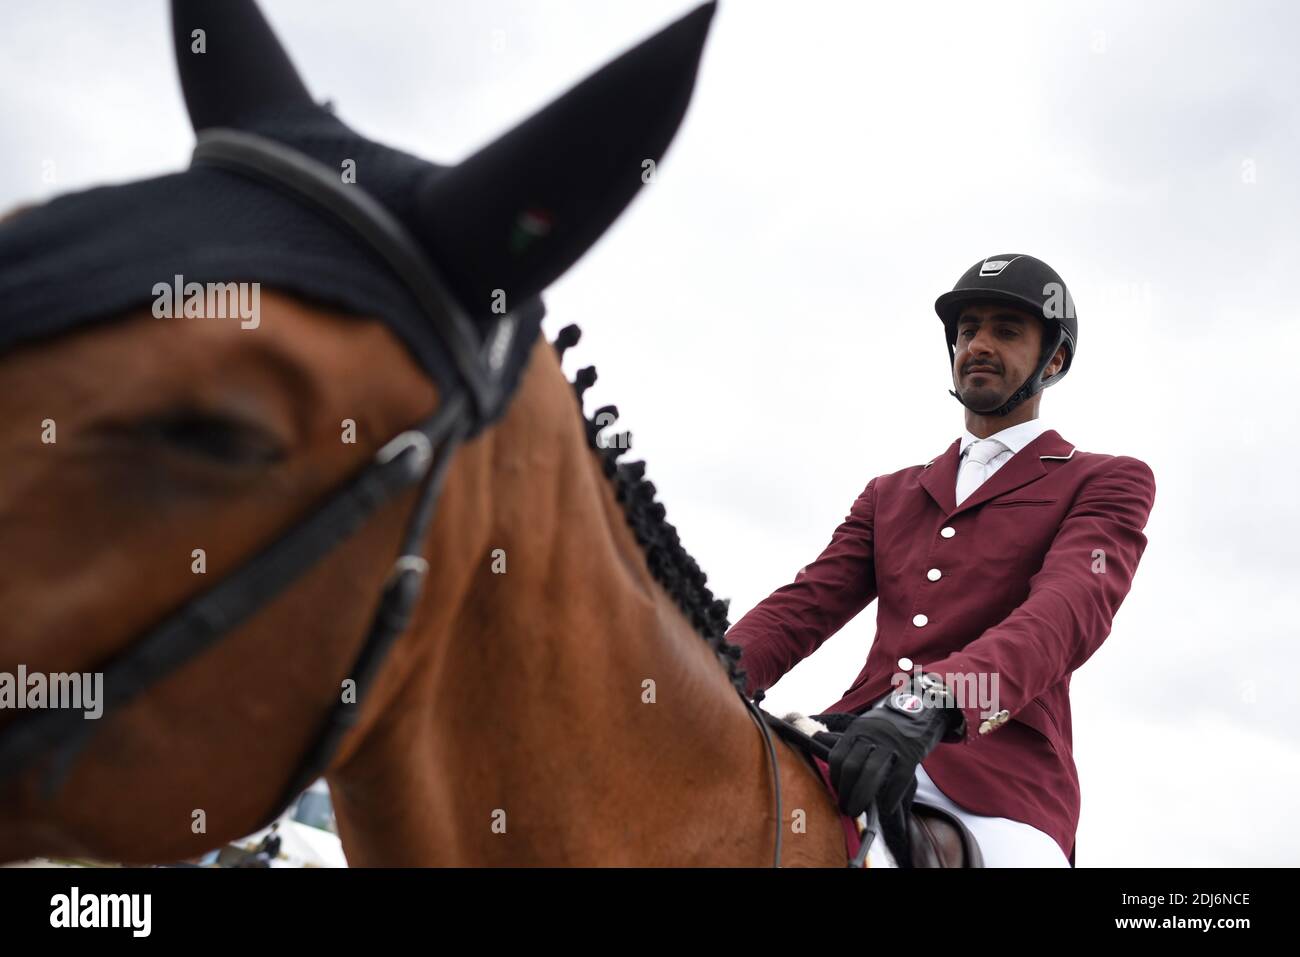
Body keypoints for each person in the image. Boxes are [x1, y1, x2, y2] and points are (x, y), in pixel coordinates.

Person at [726, 253, 1157, 867]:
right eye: (967, 330)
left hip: (997, 780)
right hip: (853, 741)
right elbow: (806, 605)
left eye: (1006, 331)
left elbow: (1066, 612)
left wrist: (938, 697)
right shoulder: (891, 492)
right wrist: (714, 670)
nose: (978, 345)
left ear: (1053, 360)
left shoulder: (1104, 481)